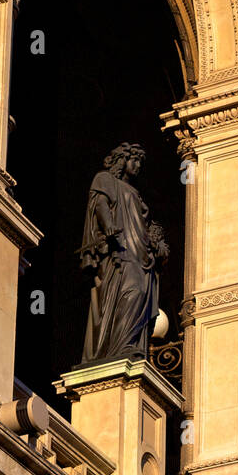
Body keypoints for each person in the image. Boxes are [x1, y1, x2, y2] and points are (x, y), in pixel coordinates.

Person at [79, 143, 168, 365]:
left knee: (142, 297)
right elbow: (100, 203)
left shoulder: (136, 194)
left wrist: (158, 245)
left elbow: (146, 227)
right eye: (133, 160)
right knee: (132, 291)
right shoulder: (105, 180)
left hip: (140, 253)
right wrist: (108, 225)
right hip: (120, 250)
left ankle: (128, 344)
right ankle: (120, 346)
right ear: (122, 160)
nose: (137, 166)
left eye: (140, 162)